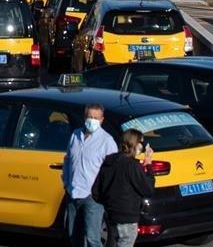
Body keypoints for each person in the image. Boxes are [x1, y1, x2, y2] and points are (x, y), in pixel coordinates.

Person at [62, 103, 118, 247]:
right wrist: (67, 183)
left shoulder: (107, 142)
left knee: (93, 238)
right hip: (73, 194)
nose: (92, 120)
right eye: (90, 117)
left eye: (96, 118)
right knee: (74, 237)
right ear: (84, 117)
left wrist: (101, 193)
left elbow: (112, 172)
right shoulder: (75, 135)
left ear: (102, 120)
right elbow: (68, 160)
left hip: (93, 197)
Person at [92, 129, 155, 247]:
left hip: (111, 215)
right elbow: (148, 189)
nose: (141, 146)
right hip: (127, 217)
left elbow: (96, 191)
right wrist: (149, 166)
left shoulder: (109, 162)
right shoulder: (132, 165)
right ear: (134, 144)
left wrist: (109, 204)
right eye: (140, 142)